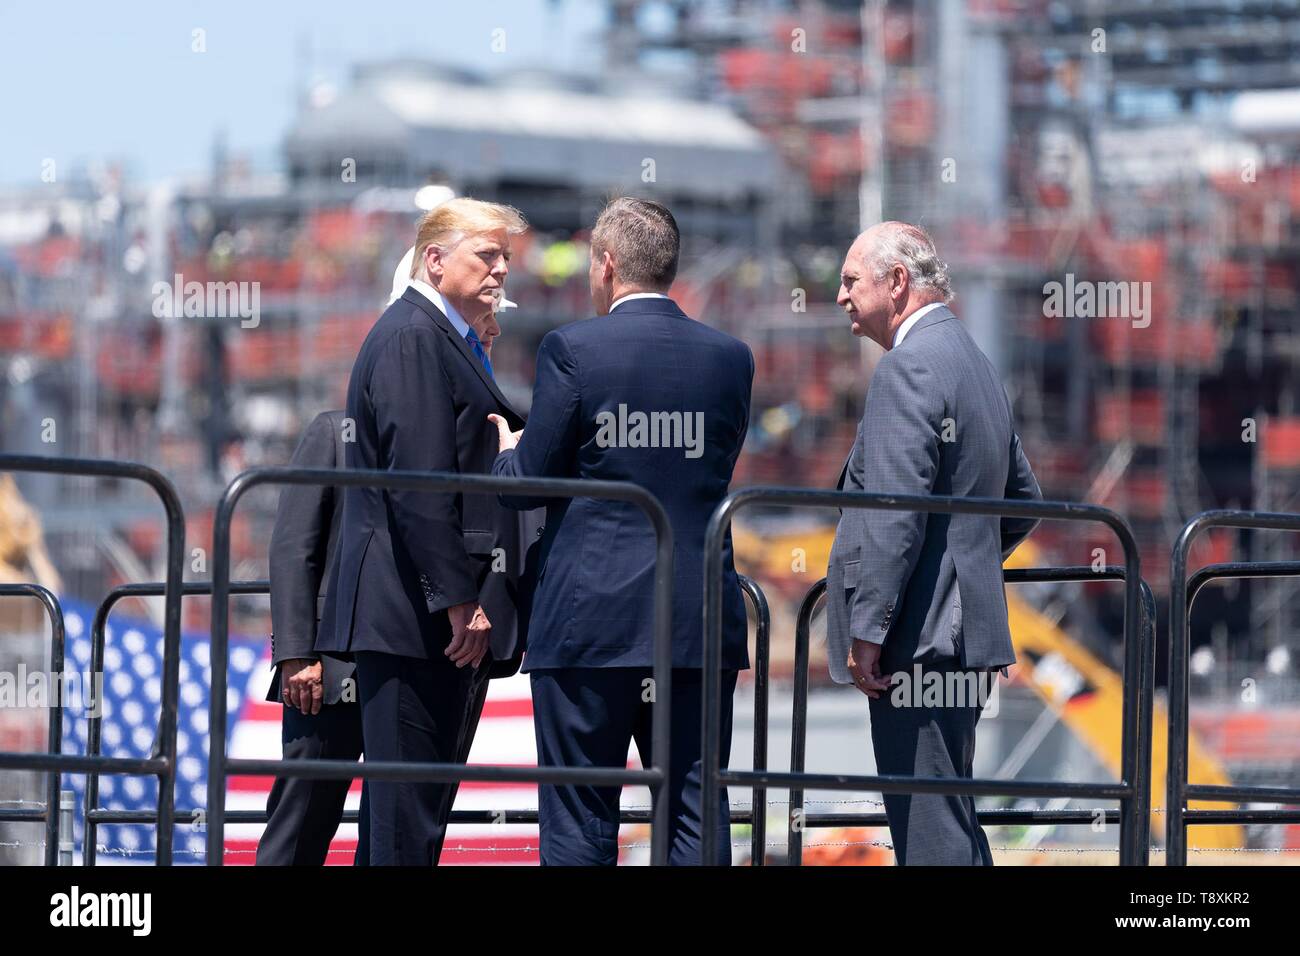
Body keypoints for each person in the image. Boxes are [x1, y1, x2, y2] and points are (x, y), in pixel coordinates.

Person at [489, 197, 754, 865]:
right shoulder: (731, 360)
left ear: (606, 265)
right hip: (696, 623)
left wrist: (504, 448)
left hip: (591, 624)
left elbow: (530, 481)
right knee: (697, 812)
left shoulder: (573, 349)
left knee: (581, 817)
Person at [317, 198, 536, 865]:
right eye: (487, 256)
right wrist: (457, 600)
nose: (501, 271)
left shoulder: (436, 335)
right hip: (417, 620)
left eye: (505, 258)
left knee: (405, 821)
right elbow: (419, 483)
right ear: (435, 260)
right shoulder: (415, 334)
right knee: (406, 827)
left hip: (421, 617)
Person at [825, 221, 1042, 865]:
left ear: (896, 284)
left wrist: (870, 628)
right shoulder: (974, 362)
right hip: (963, 639)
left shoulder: (907, 369)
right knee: (950, 814)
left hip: (913, 644)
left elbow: (896, 514)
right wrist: (964, 566)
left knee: (927, 828)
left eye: (849, 281)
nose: (838, 297)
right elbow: (1024, 501)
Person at [256, 410, 367, 866]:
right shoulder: (333, 432)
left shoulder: (443, 438)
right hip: (327, 666)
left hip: (411, 662)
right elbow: (292, 547)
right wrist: (297, 654)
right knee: (300, 820)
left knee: (396, 824)